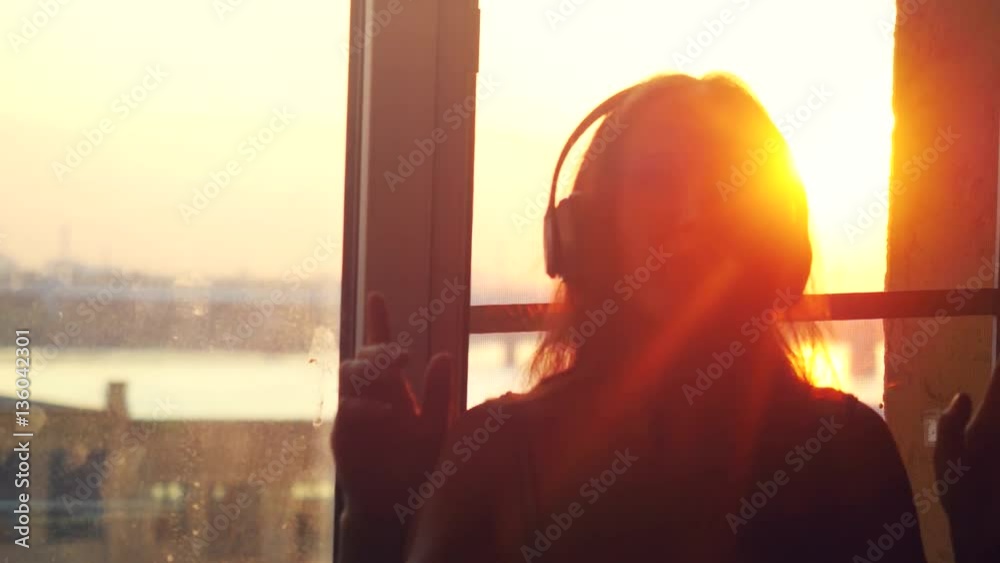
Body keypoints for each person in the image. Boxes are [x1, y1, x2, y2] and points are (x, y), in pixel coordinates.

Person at [332, 73, 999, 562]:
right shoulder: (496, 455)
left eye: (729, 181)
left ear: (778, 241)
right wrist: (378, 517)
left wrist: (982, 534)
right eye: (659, 179)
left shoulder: (849, 451)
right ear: (587, 234)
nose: (695, 213)